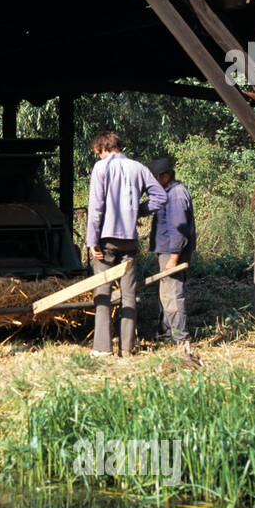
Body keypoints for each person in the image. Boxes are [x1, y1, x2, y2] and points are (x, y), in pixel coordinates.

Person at [84, 131, 166, 357]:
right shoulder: (139, 168)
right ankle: (127, 348)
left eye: (97, 153)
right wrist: (136, 211)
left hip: (106, 241)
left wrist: (92, 241)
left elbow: (96, 208)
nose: (98, 157)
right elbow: (160, 197)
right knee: (128, 295)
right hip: (129, 241)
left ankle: (102, 348)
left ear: (103, 148)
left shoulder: (101, 168)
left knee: (102, 293)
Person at [146, 154, 197, 352]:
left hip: (172, 253)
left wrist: (174, 257)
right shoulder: (168, 192)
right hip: (167, 252)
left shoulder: (176, 194)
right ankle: (167, 334)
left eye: (155, 178)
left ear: (165, 176)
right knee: (165, 294)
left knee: (173, 295)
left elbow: (179, 229)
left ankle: (180, 339)